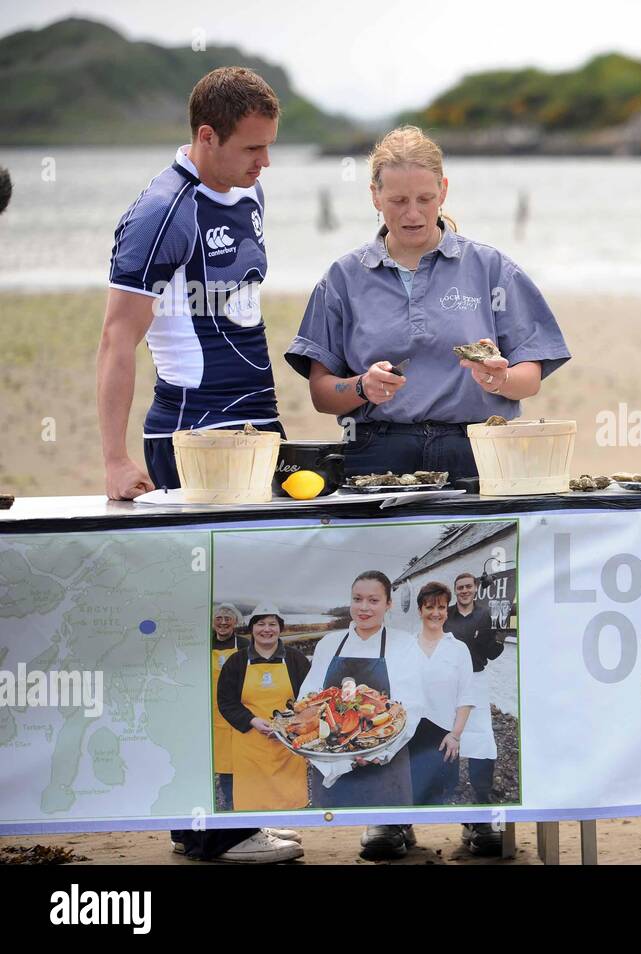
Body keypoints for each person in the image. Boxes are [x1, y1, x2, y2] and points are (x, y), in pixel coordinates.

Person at [283, 125, 570, 480]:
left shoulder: (492, 268)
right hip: (375, 451)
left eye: (424, 199)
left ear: (443, 191)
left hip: (479, 448)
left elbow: (531, 379)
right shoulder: (342, 279)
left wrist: (499, 378)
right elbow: (322, 395)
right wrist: (362, 386)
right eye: (398, 201)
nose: (413, 214)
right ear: (375, 196)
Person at [98, 66, 285, 501]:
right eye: (252, 148)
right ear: (207, 136)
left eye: (269, 146)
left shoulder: (250, 191)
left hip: (262, 422)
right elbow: (116, 338)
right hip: (192, 431)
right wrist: (115, 460)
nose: (265, 162)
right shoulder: (161, 214)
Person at [296, 570, 420, 860]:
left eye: (374, 600)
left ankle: (395, 826)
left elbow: (413, 704)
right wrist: (303, 733)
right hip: (333, 749)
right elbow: (310, 696)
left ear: (388, 604)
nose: (364, 608)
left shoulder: (404, 643)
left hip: (384, 748)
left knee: (384, 841)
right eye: (357, 599)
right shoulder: (329, 644)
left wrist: (384, 750)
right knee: (332, 843)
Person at [217, 604, 310, 815]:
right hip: (249, 743)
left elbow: (310, 700)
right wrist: (252, 720)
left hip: (288, 744)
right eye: (260, 624)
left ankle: (288, 834)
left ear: (280, 628)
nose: (266, 629)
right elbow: (226, 702)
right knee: (251, 804)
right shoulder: (236, 662)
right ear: (252, 628)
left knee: (289, 803)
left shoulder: (296, 660)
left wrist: (289, 725)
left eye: (272, 624)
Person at [443, 571, 506, 855]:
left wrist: (498, 638)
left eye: (469, 587)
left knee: (481, 737)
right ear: (455, 591)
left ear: (475, 589)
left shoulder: (485, 616)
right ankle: (451, 789)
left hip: (477, 680)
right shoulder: (447, 616)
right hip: (450, 681)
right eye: (460, 587)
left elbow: (492, 653)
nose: (465, 591)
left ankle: (482, 797)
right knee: (449, 731)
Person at [405, 582, 474, 806]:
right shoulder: (405, 648)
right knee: (409, 794)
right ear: (420, 611)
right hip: (408, 737)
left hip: (443, 736)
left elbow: (466, 696)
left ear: (447, 610)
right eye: (429, 607)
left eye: (442, 607)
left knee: (439, 795)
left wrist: (455, 735)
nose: (436, 613)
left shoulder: (458, 649)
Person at [210, 603, 248, 811]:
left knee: (240, 761)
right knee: (223, 764)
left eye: (228, 618)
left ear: (235, 622)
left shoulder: (243, 645)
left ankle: (241, 806)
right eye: (219, 618)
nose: (223, 622)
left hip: (236, 711)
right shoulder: (204, 644)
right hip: (210, 715)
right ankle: (226, 808)